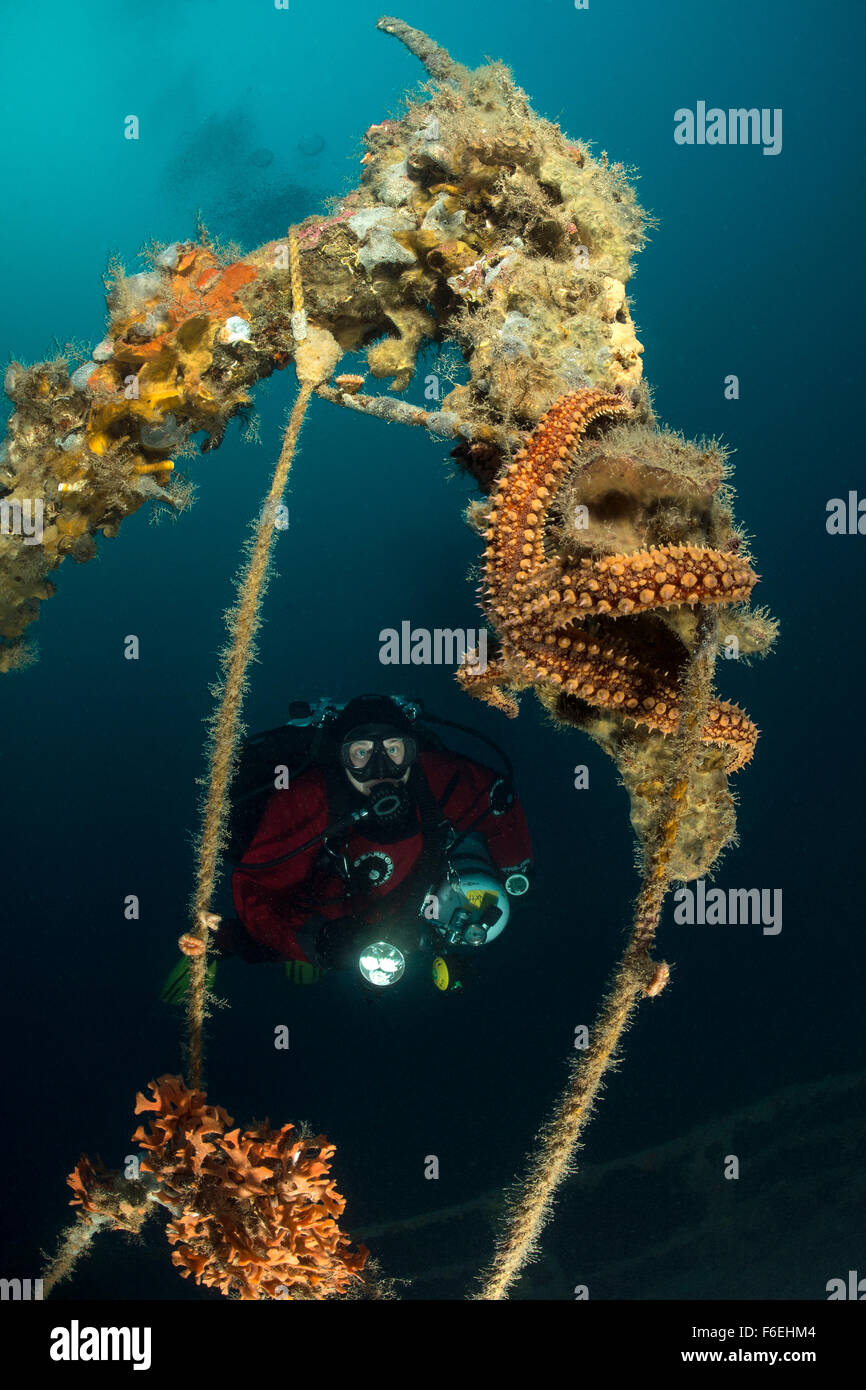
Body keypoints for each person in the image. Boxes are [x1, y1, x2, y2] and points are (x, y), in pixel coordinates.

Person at [210, 694, 533, 989]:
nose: (381, 770)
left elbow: (497, 801)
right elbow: (256, 890)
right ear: (342, 757)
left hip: (404, 910)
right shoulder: (307, 800)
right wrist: (313, 941)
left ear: (411, 751)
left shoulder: (436, 778)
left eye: (393, 750)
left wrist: (513, 872)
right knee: (258, 943)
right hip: (332, 912)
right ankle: (220, 943)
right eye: (361, 753)